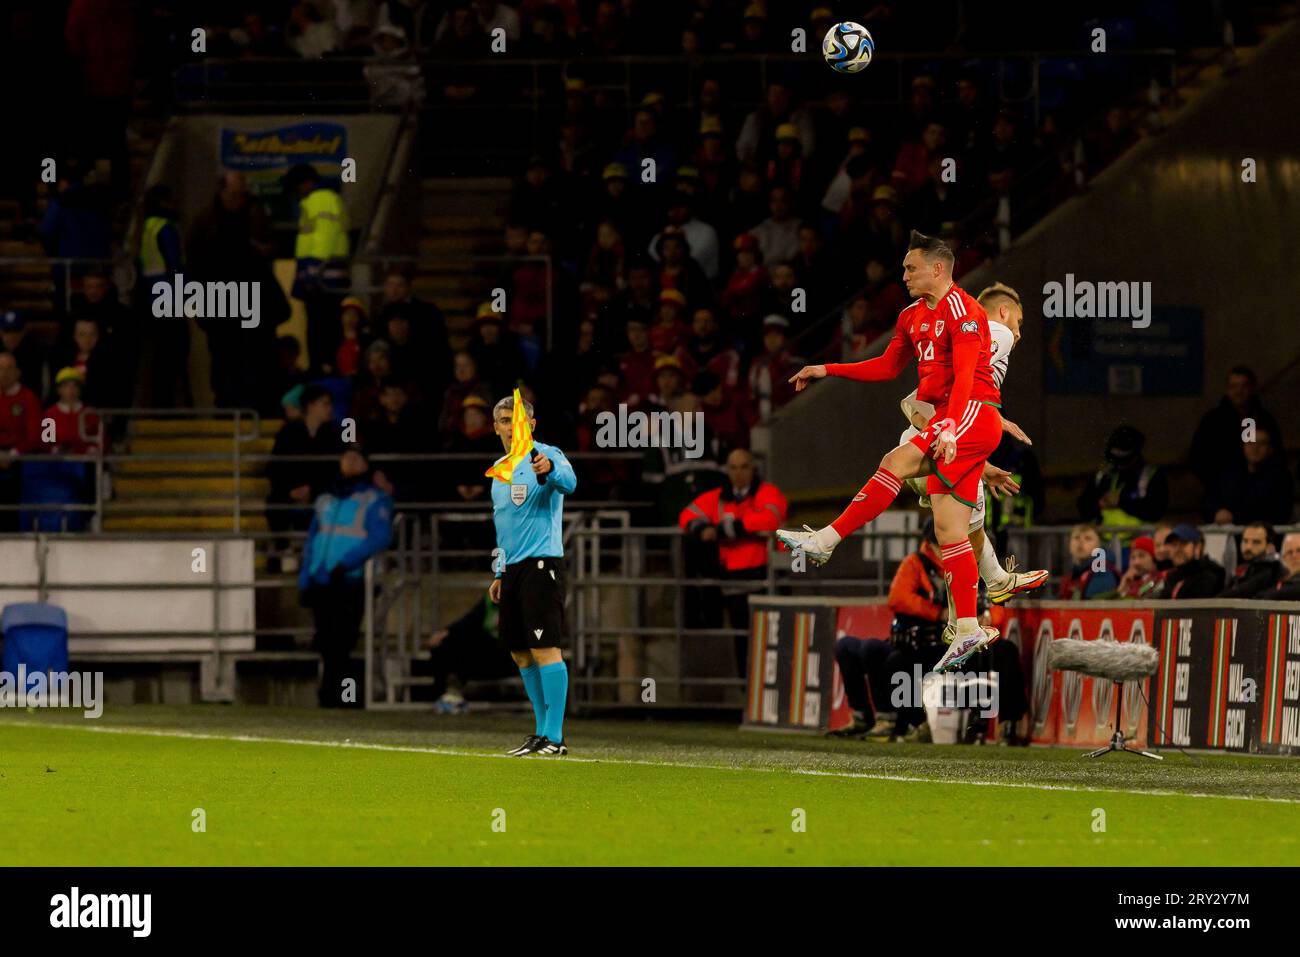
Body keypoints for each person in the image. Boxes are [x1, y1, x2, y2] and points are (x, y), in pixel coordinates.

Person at [777, 231, 1006, 671]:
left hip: (972, 413)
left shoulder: (966, 311)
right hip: (953, 418)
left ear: (937, 268)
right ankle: (969, 628)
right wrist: (828, 368)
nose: (903, 275)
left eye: (910, 268)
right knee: (948, 528)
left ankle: (826, 540)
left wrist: (952, 427)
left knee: (894, 462)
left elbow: (964, 380)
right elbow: (886, 366)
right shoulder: (910, 316)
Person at [488, 394, 577, 756]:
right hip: (512, 570)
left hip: (542, 566)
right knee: (521, 654)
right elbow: (503, 527)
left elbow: (569, 482)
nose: (512, 427)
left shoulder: (547, 454)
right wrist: (498, 571)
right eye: (506, 421)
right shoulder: (500, 469)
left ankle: (555, 738)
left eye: (519, 420)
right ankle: (541, 732)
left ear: (532, 425)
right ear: (496, 427)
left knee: (545, 649)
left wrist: (549, 471)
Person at [298, 446, 394, 707]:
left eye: (356, 458)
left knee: (342, 641)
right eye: (345, 457)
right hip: (323, 579)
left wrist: (346, 563)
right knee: (326, 641)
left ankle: (340, 697)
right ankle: (332, 696)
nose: (349, 462)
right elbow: (312, 539)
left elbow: (381, 536)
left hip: (351, 580)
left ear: (366, 464)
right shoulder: (326, 498)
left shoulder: (375, 499)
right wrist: (305, 577)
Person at [678, 449, 787, 675]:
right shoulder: (718, 497)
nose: (739, 473)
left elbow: (770, 519)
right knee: (742, 637)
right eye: (733, 468)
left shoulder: (768, 492)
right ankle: (745, 689)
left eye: (744, 467)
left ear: (754, 469)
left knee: (772, 637)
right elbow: (687, 515)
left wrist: (727, 528)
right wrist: (701, 529)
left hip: (765, 577)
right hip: (734, 579)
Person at [266, 386, 343, 572]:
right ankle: (284, 549)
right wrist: (290, 490)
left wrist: (312, 488)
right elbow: (274, 467)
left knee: (330, 501)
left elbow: (334, 469)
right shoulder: (287, 432)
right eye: (325, 404)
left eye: (330, 404)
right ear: (310, 406)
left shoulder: (334, 433)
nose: (330, 408)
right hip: (289, 489)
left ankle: (321, 554)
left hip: (321, 489)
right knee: (274, 501)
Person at [285, 163, 351, 373]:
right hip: (327, 279)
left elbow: (322, 240)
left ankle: (322, 375)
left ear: (304, 184)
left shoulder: (319, 200)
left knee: (321, 336)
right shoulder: (328, 199)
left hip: (323, 282)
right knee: (325, 335)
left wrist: (311, 276)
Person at [1189, 366, 1283, 495]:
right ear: (1227, 389)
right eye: (1234, 386)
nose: (1239, 391)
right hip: (1224, 493)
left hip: (1260, 492)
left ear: (1252, 388)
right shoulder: (1213, 421)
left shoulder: (1264, 419)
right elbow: (1197, 457)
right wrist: (1216, 486)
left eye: (1244, 386)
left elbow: (1277, 455)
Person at [1076, 425, 1168, 531]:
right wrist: (1099, 504)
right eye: (1116, 459)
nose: (1120, 465)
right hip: (1106, 542)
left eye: (1124, 459)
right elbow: (1083, 506)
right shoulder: (1103, 476)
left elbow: (1155, 511)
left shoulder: (1151, 476)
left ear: (1135, 455)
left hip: (1140, 543)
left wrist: (1121, 502)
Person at [1202, 425, 1294, 526]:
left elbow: (1280, 514)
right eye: (1250, 442)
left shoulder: (1281, 478)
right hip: (1229, 535)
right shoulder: (1227, 475)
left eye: (1261, 443)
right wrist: (1217, 511)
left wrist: (1235, 517)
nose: (1255, 447)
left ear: (1270, 449)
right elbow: (1209, 502)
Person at [0, 353, 44, 531]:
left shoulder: (28, 398)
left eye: (7, 369)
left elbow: (35, 436)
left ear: (17, 372)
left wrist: (12, 454)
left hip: (19, 461)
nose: (2, 374)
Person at [1153, 524, 1225, 599]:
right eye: (1174, 544)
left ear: (1197, 547)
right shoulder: (1172, 577)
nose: (1177, 549)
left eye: (1183, 543)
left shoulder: (1208, 576)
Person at [1219, 522, 1284, 598]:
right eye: (1245, 541)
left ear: (1269, 546)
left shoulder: (1271, 568)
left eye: (1256, 542)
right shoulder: (1245, 568)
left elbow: (1242, 592)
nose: (1248, 547)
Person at [1058, 524, 1120, 599]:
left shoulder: (1102, 571)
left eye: (1088, 538)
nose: (1081, 542)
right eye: (1076, 538)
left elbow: (1093, 606)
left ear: (1098, 546)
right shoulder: (1072, 574)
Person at [1258, 533, 1300, 601]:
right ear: (1283, 558)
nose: (1294, 556)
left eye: (1299, 551)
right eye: (1289, 552)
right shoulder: (1275, 580)